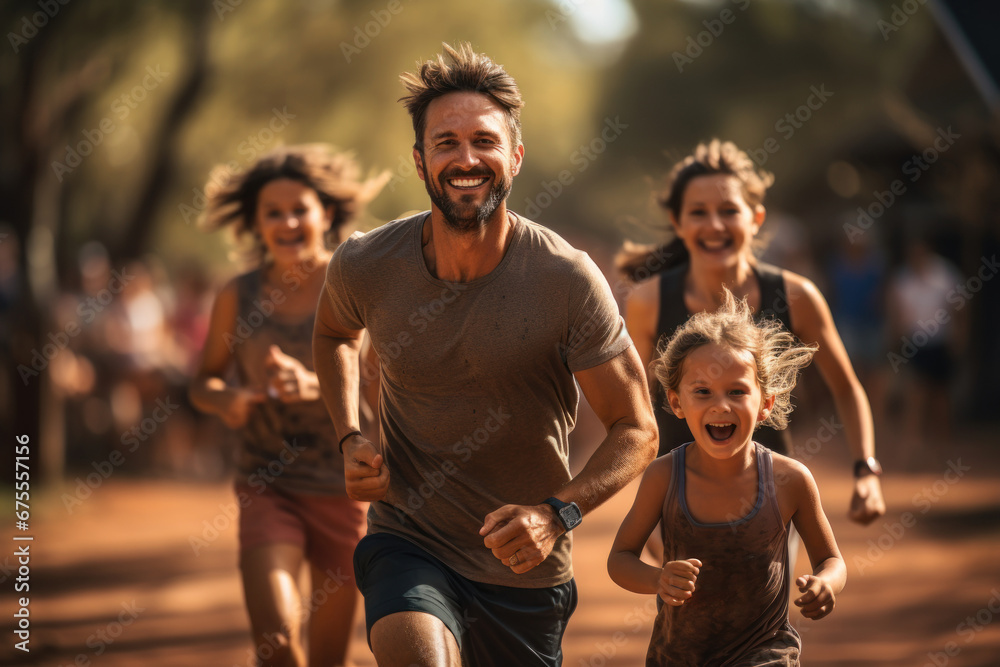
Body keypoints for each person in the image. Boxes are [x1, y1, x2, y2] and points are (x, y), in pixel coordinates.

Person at [313, 43, 658, 667]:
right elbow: (335, 333)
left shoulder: (566, 279)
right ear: (419, 161)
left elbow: (637, 429)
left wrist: (557, 515)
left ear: (515, 157)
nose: (466, 159)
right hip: (408, 540)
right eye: (446, 143)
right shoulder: (367, 263)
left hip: (526, 568)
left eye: (484, 141)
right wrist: (350, 436)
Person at [619, 139, 885, 527]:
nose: (714, 225)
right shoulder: (649, 302)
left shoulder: (797, 296)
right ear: (678, 222)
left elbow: (846, 388)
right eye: (698, 212)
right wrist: (650, 510)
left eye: (729, 210)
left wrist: (866, 471)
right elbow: (632, 408)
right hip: (678, 504)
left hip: (773, 503)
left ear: (756, 218)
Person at [190, 144, 385, 667]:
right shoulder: (237, 295)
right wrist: (226, 399)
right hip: (267, 485)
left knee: (327, 661)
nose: (288, 222)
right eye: (273, 212)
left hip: (345, 491)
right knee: (276, 646)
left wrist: (317, 386)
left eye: (300, 209)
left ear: (327, 213)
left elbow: (383, 395)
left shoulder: (355, 284)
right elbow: (202, 381)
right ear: (257, 224)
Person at [608, 290, 846, 666]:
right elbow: (620, 558)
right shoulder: (663, 476)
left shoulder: (790, 480)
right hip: (678, 657)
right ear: (676, 402)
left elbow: (831, 559)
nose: (721, 405)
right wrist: (658, 579)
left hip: (765, 654)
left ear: (765, 403)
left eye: (737, 392)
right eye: (702, 392)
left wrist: (825, 583)